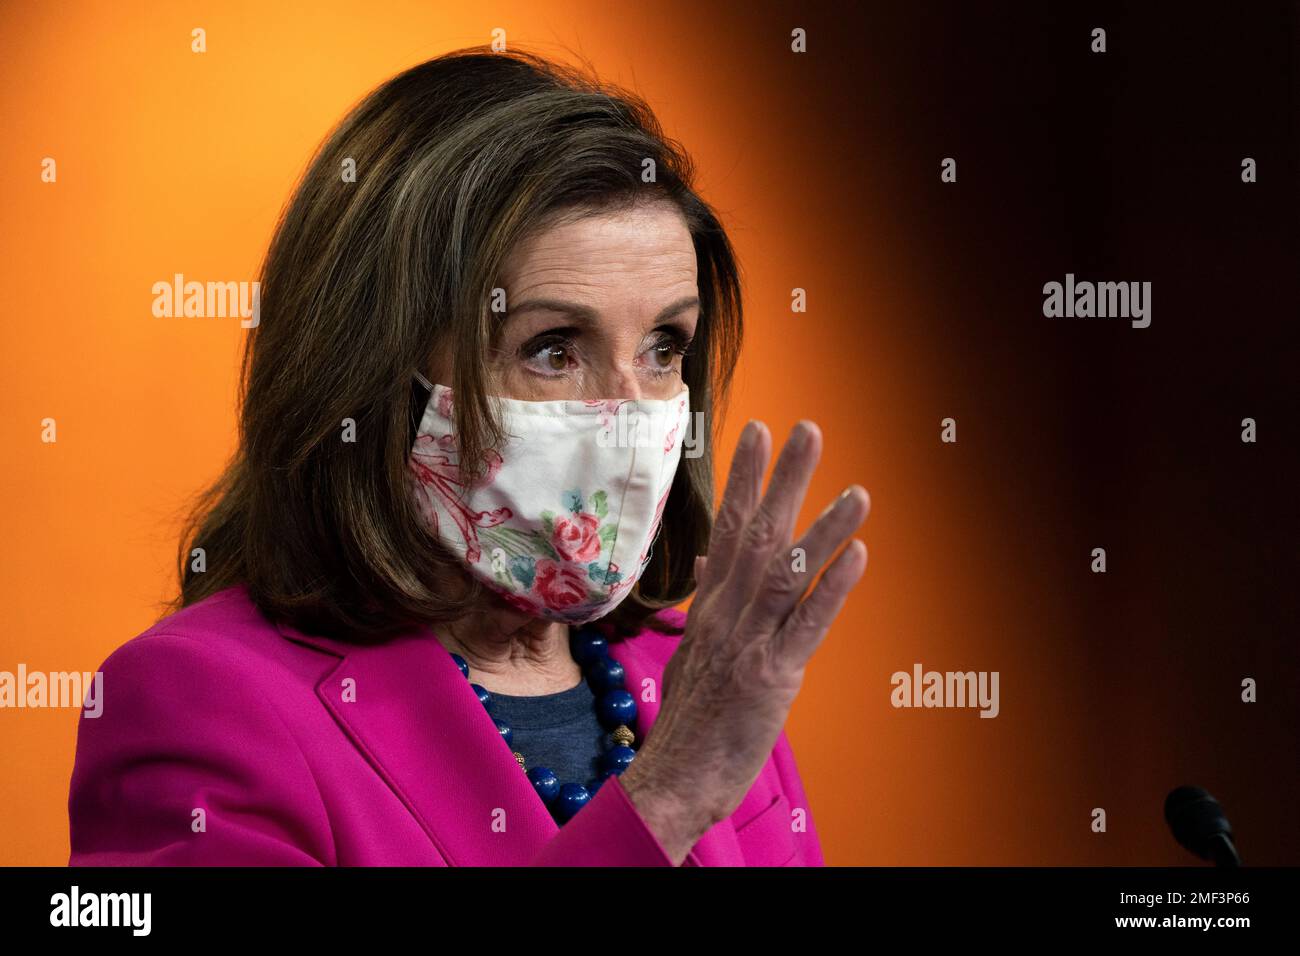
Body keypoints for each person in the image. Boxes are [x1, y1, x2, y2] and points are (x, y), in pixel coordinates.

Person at [66, 47, 870, 866]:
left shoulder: (703, 678)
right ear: (373, 369)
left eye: (665, 346)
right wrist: (665, 798)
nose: (633, 413)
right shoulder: (199, 705)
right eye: (553, 348)